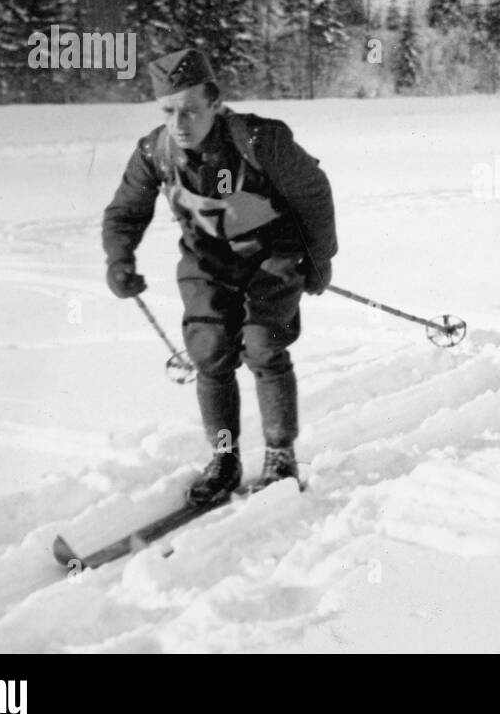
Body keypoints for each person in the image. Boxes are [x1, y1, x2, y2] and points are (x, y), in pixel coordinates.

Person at [102, 49, 337, 504]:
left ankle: (280, 454)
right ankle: (225, 457)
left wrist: (319, 257)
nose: (179, 123)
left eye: (190, 110)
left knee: (263, 343)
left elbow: (313, 193)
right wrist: (119, 259)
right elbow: (126, 211)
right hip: (207, 258)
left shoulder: (261, 140)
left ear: (215, 102)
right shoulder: (154, 152)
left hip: (273, 253)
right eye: (168, 111)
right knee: (209, 351)